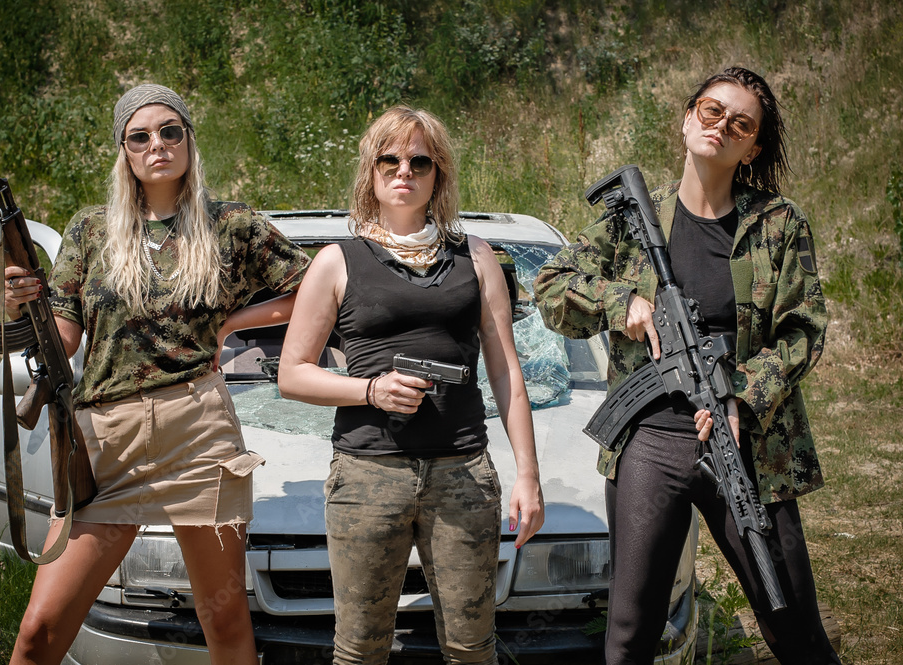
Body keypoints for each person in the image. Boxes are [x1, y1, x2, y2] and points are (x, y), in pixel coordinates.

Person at [534, 67, 841, 664]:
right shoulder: (630, 221)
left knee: (793, 625)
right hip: (649, 440)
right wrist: (624, 303)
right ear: (686, 117)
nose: (722, 125)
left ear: (753, 146)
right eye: (710, 110)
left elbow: (805, 329)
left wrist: (741, 400)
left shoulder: (777, 224)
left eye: (741, 122)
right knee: (629, 632)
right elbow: (551, 287)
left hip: (747, 445)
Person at [3, 83, 311, 664]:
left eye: (171, 131)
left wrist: (229, 325)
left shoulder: (231, 225)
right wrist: (25, 305)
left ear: (189, 139)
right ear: (124, 151)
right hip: (105, 443)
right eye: (140, 136)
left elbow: (315, 287)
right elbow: (66, 336)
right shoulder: (91, 229)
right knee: (40, 631)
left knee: (223, 619)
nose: (157, 145)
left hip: (198, 431)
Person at [277, 105, 545, 665]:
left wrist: (529, 476)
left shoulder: (477, 258)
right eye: (389, 159)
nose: (404, 171)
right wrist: (369, 391)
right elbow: (293, 374)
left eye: (419, 161)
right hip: (367, 474)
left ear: (438, 173)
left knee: (472, 650)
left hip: (464, 471)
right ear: (370, 171)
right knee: (360, 650)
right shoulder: (335, 261)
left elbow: (506, 372)